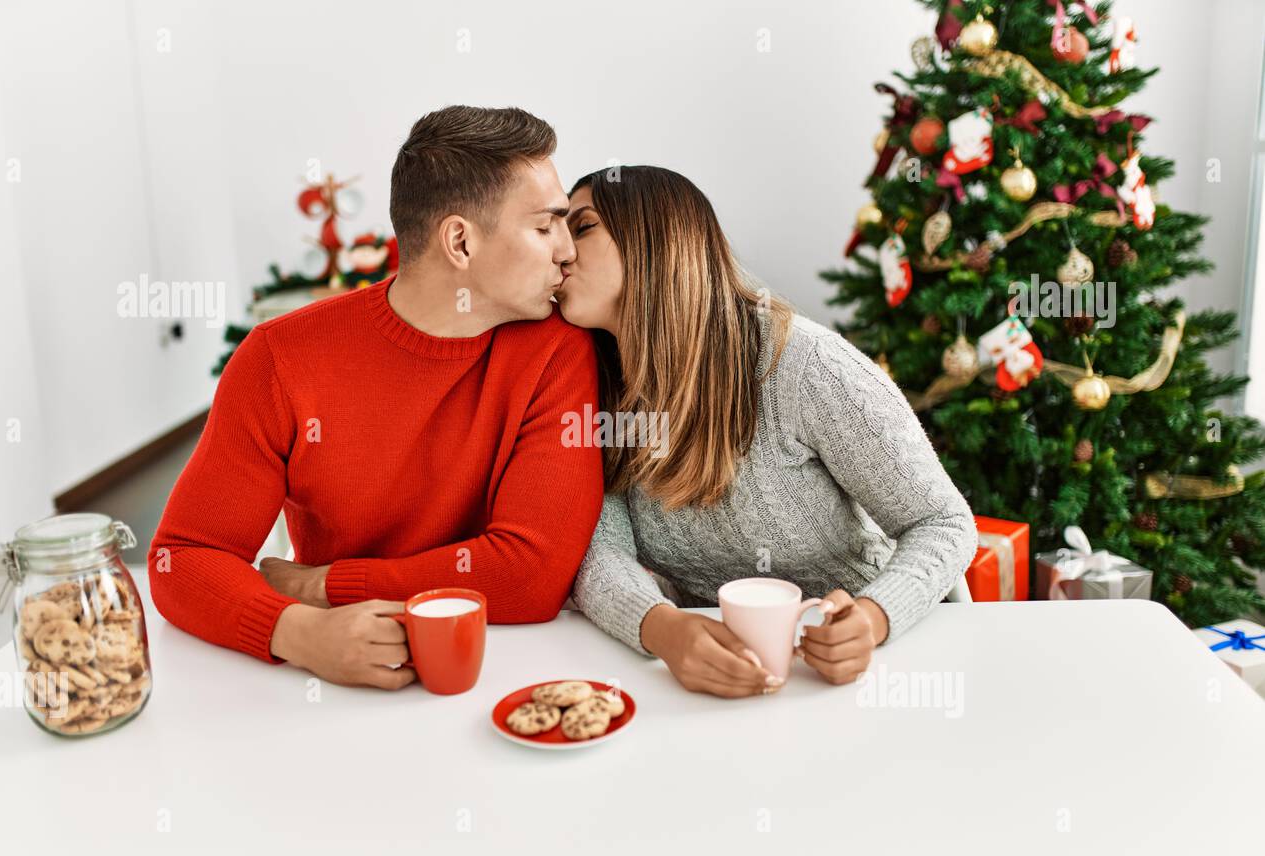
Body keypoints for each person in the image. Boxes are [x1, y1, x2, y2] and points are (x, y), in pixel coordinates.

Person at [149, 106, 603, 689]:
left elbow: (531, 576)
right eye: (545, 227)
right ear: (460, 242)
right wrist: (297, 633)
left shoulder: (556, 349)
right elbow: (182, 557)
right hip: (333, 691)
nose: (568, 251)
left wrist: (323, 586)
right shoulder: (280, 358)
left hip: (507, 668)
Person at [560, 166, 978, 698]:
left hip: (874, 666)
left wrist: (873, 618)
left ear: (655, 239)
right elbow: (601, 554)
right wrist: (662, 630)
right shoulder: (594, 386)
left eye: (584, 226)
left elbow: (941, 521)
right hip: (730, 676)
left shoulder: (802, 364)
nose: (561, 252)